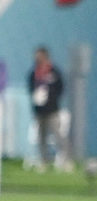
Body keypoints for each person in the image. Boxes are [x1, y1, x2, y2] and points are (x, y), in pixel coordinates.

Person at [27, 44, 66, 172]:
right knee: (41, 136)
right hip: (39, 110)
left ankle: (65, 159)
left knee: (57, 134)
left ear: (45, 56)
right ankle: (43, 161)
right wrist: (36, 97)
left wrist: (52, 99)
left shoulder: (54, 71)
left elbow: (61, 87)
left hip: (52, 109)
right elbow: (30, 87)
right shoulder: (34, 72)